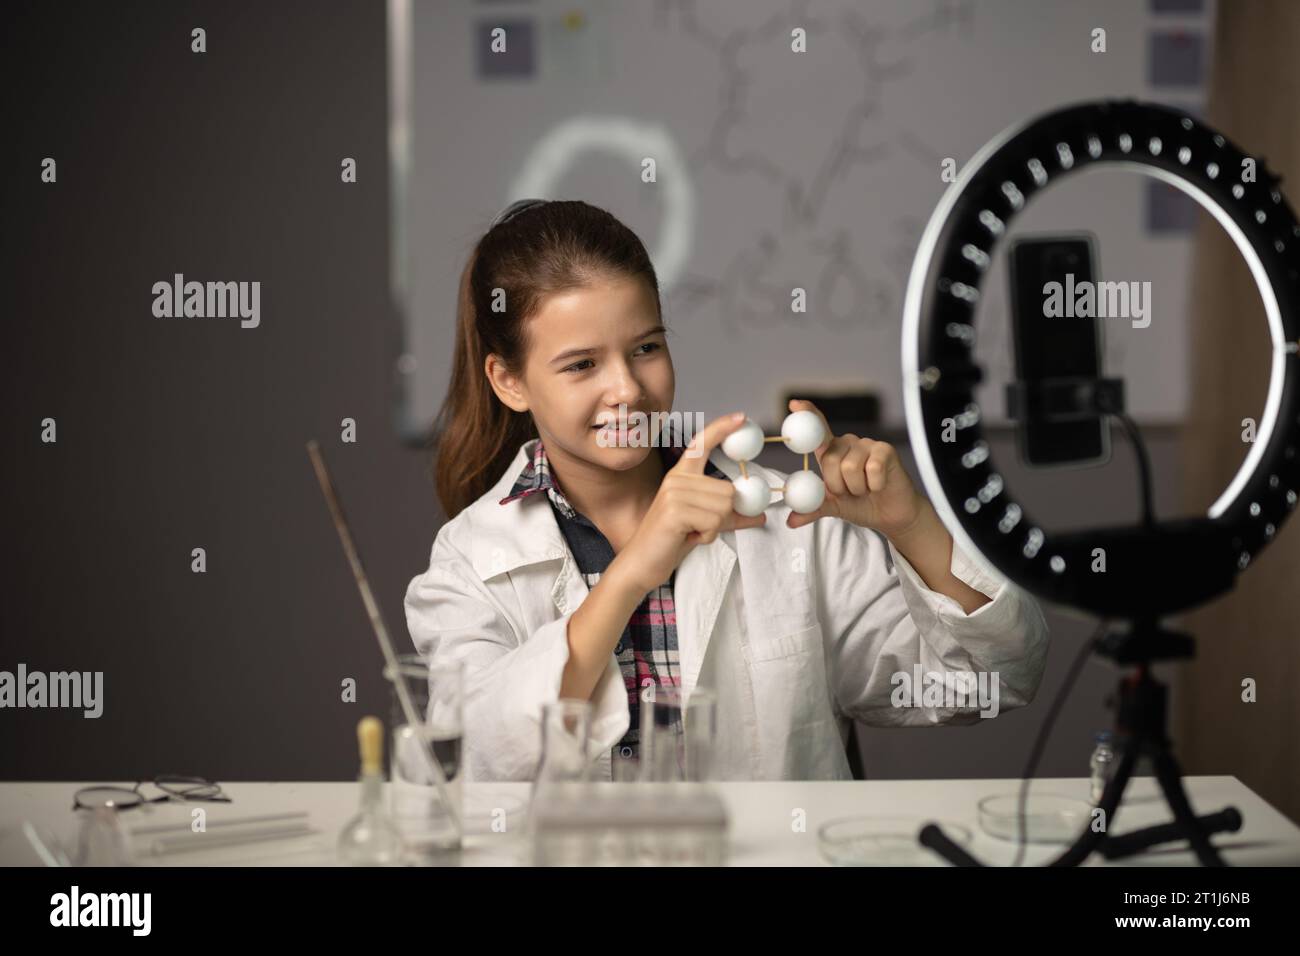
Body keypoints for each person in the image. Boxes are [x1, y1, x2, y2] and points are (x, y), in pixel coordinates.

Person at [404, 199, 1050, 781]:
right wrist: (633, 573)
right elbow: (474, 755)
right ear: (508, 380)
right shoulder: (470, 557)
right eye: (581, 364)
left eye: (647, 348)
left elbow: (984, 684)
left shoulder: (788, 521)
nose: (627, 388)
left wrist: (912, 528)